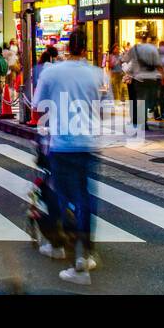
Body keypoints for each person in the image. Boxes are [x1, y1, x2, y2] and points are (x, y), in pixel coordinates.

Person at [34, 27, 105, 285]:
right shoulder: (97, 74)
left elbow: (37, 104)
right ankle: (84, 256)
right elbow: (103, 107)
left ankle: (62, 249)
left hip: (61, 143)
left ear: (67, 47)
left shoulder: (52, 72)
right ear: (86, 48)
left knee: (60, 197)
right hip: (88, 142)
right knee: (85, 199)